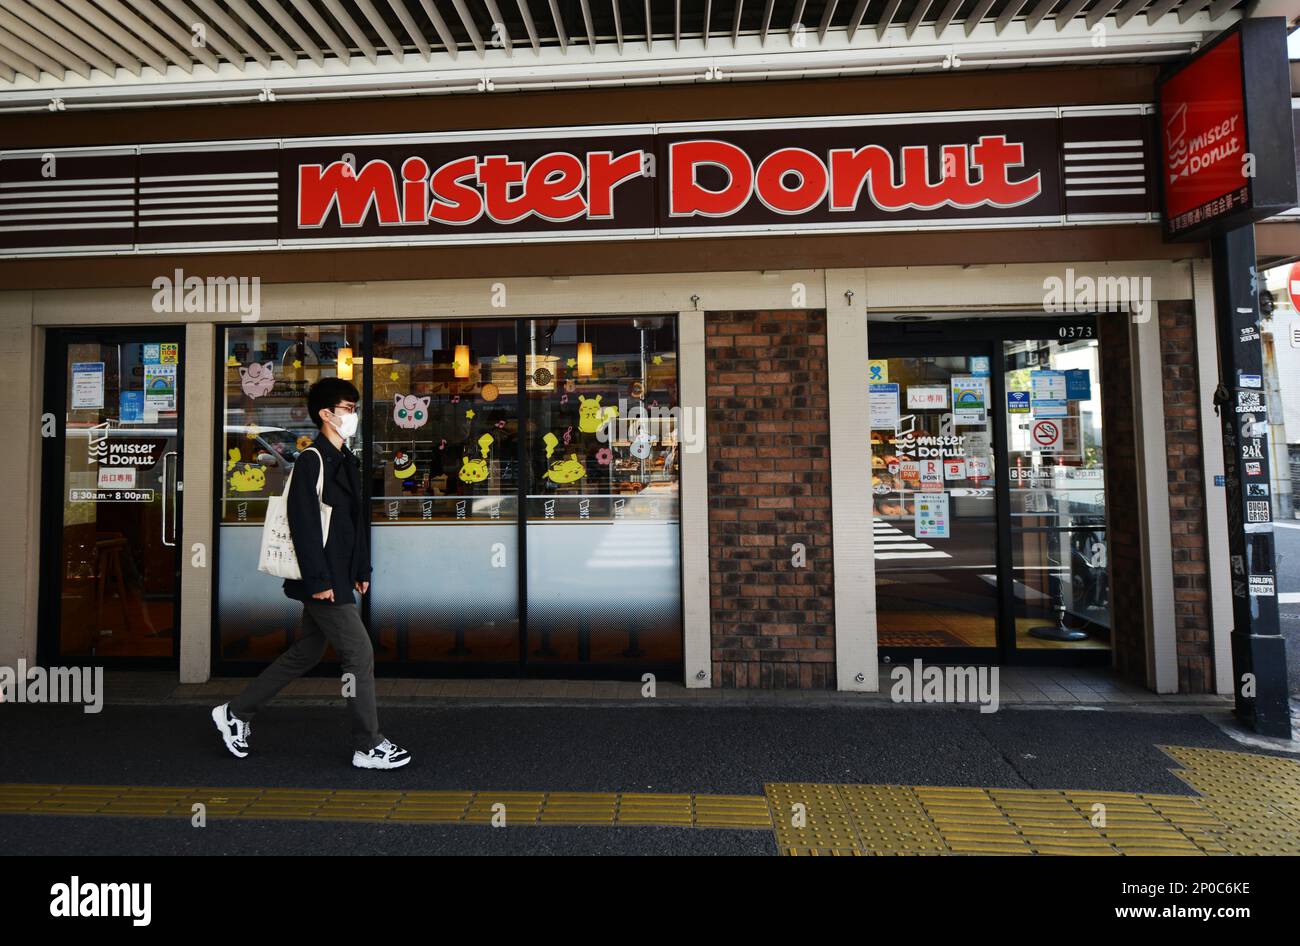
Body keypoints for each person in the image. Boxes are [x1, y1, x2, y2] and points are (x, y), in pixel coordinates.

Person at [212, 377, 411, 769]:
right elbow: (303, 525)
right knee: (359, 653)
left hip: (338, 573)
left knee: (307, 650)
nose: (353, 416)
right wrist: (317, 582)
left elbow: (353, 524)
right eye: (348, 409)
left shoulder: (346, 460)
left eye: (354, 409)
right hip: (321, 578)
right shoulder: (311, 460)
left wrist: (361, 569)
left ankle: (236, 713)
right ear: (326, 414)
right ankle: (368, 743)